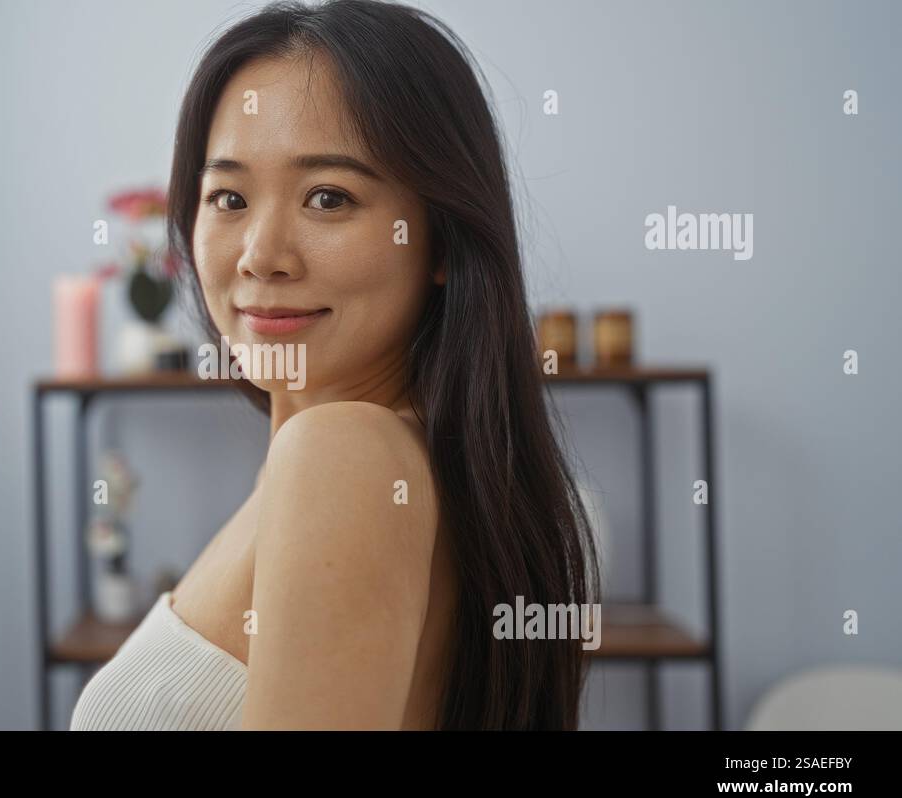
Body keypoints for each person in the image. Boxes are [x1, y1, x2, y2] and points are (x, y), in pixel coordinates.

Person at [70, 0, 598, 731]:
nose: (261, 254)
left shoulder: (342, 456)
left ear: (440, 241)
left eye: (328, 197)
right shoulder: (351, 459)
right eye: (228, 196)